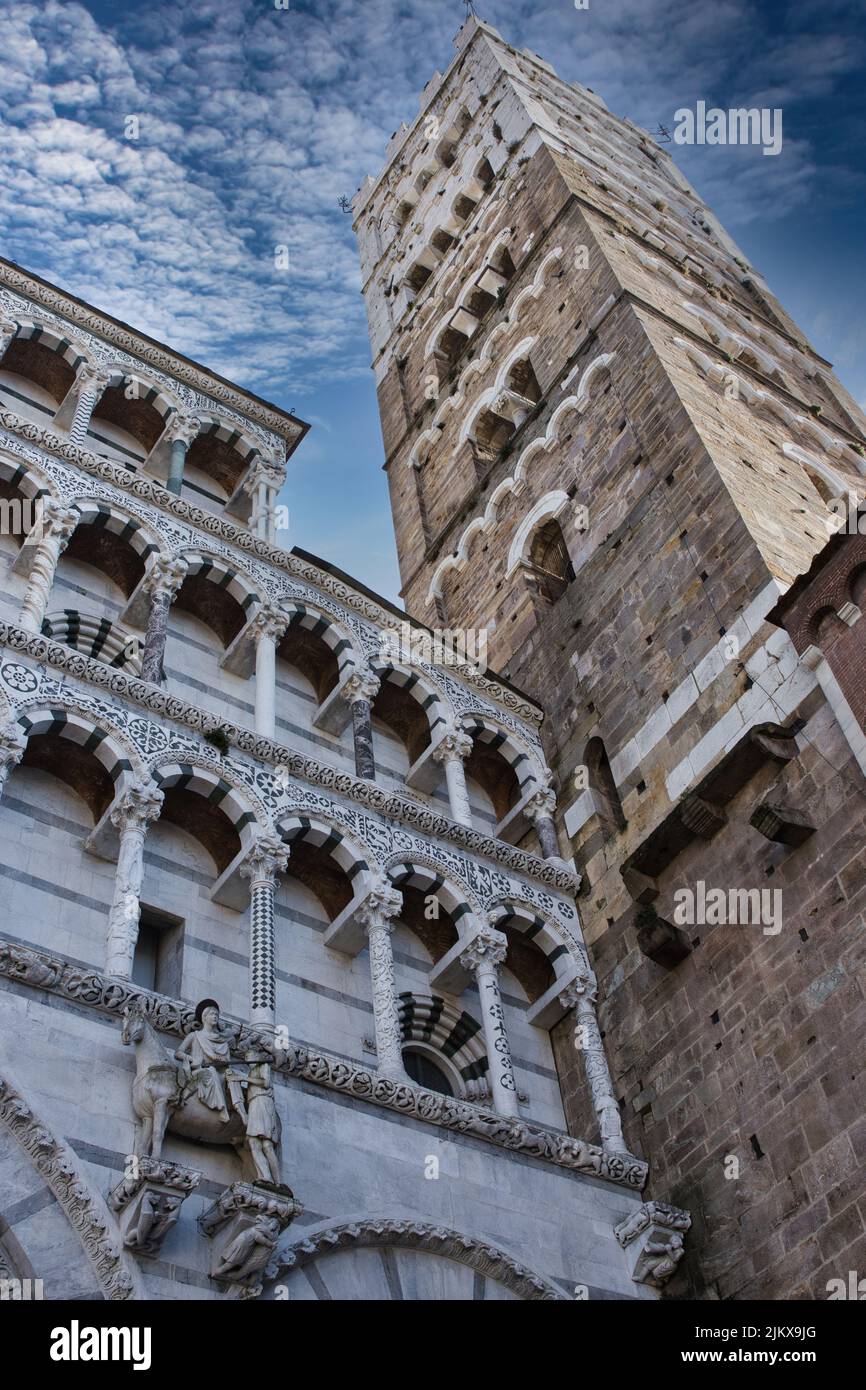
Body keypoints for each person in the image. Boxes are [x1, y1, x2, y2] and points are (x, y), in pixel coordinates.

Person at [175, 1000, 233, 1122]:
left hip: (218, 1074)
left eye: (217, 1015)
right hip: (197, 1070)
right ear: (204, 1017)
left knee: (211, 1070)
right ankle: (221, 1108)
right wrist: (192, 1059)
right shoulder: (194, 1035)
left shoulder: (222, 1041)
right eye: (212, 1014)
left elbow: (226, 1063)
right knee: (208, 1072)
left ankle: (222, 1108)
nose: (215, 1016)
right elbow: (178, 1053)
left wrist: (220, 1060)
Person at [243, 1047, 282, 1185]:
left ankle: (278, 1182)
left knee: (267, 1145)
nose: (247, 1060)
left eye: (250, 1056)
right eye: (246, 1057)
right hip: (253, 1104)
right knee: (253, 1142)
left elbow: (265, 1083)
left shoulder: (263, 1066)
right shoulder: (252, 1071)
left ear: (257, 1056)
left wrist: (242, 1078)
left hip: (263, 1103)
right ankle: (265, 1177)